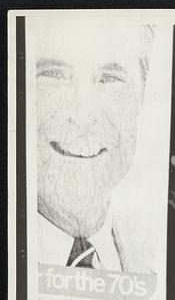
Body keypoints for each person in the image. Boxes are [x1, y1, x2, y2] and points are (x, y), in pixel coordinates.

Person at [35, 20, 154, 271]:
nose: (83, 114)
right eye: (53, 75)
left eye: (109, 79)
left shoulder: (158, 261)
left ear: (140, 96)